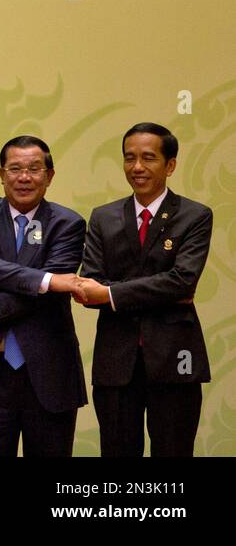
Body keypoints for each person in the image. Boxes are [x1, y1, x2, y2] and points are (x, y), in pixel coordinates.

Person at [78, 122, 213, 457]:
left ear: (170, 165)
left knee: (174, 450)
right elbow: (89, 284)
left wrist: (111, 294)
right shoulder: (103, 217)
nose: (137, 167)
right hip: (116, 359)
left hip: (175, 357)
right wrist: (162, 290)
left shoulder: (195, 215)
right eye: (129, 158)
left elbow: (183, 280)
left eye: (148, 158)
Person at [0, 135, 87, 457]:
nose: (24, 177)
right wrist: (48, 280)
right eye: (15, 169)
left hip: (49, 371)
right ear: (1, 174)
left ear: (49, 176)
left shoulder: (68, 223)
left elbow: (48, 298)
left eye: (34, 169)